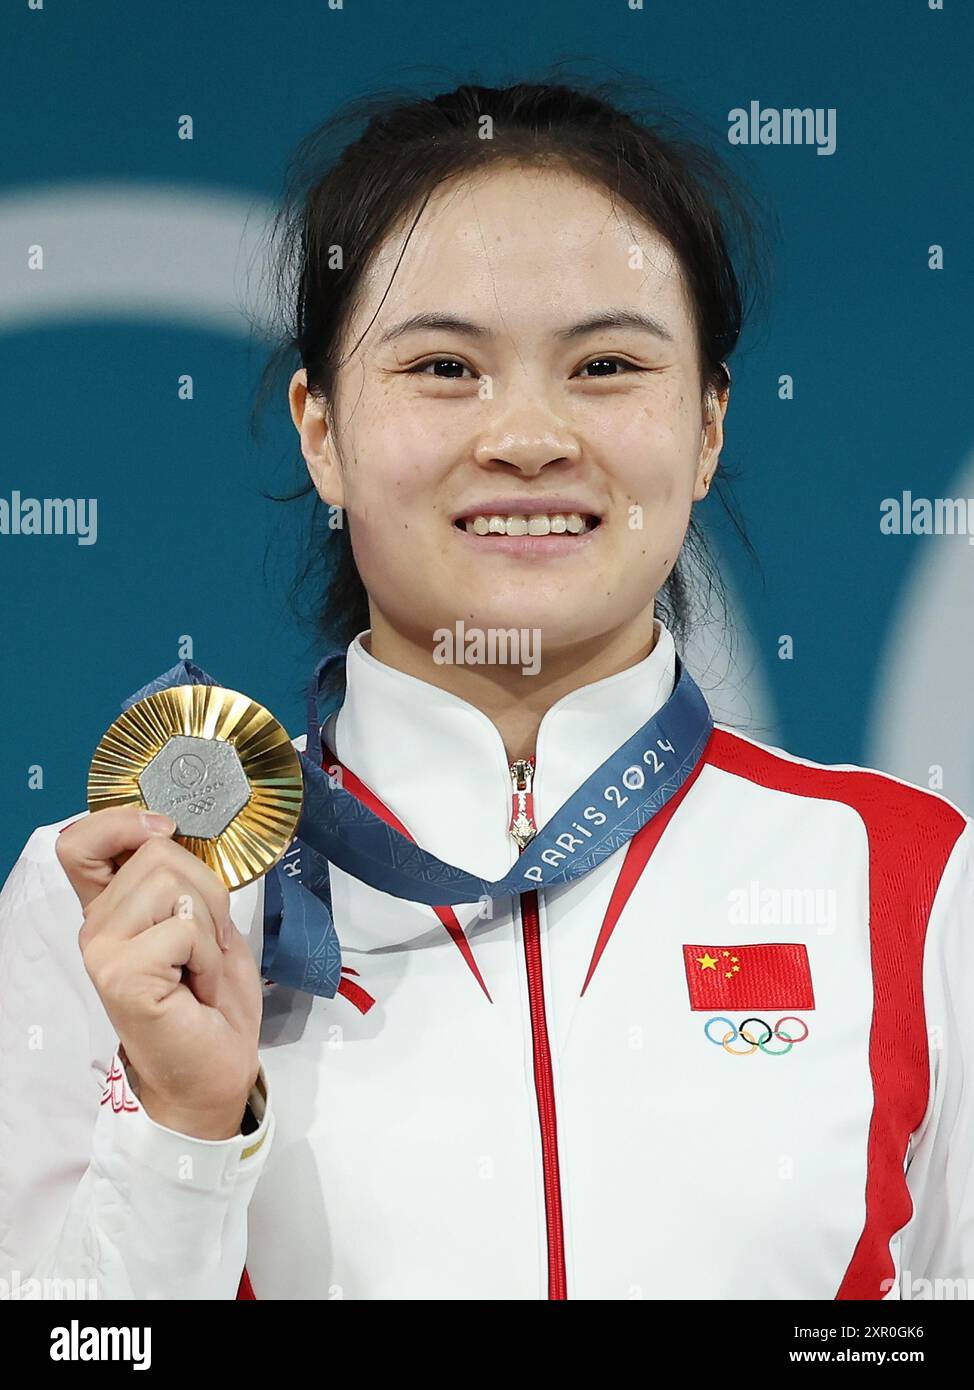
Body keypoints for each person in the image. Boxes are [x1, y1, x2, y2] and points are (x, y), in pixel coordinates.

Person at [1, 78, 972, 1303]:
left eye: (607, 363)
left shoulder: (913, 882)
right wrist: (186, 1130)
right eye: (445, 366)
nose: (525, 434)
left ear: (709, 424)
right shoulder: (127, 900)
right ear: (320, 429)